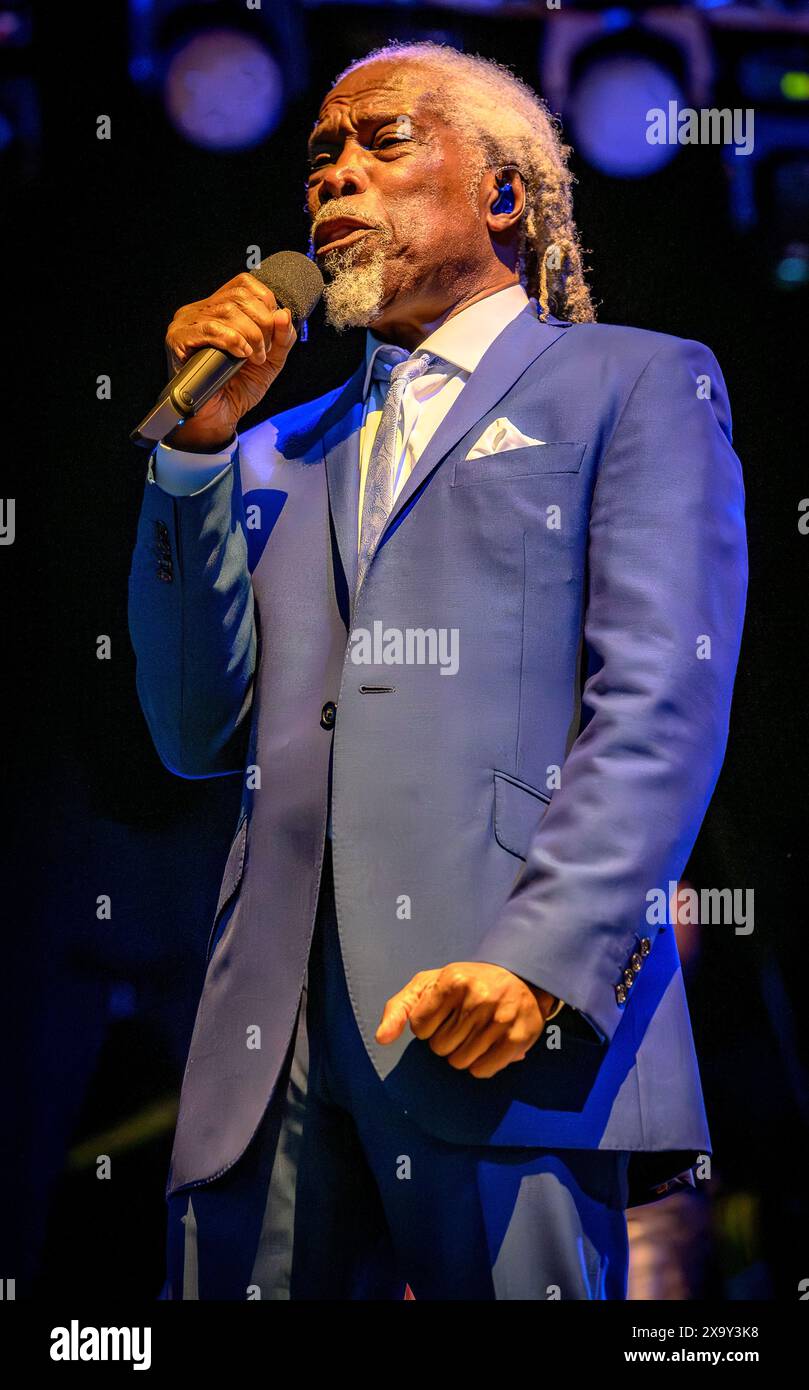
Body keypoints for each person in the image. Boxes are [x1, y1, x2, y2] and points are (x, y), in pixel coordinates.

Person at [127, 40, 748, 1300]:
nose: (332, 179)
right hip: (271, 1040)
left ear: (504, 195)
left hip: (486, 1006)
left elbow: (655, 706)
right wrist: (193, 457)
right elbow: (197, 727)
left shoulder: (631, 381)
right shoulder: (271, 450)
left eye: (380, 142)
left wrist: (542, 961)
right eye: (317, 158)